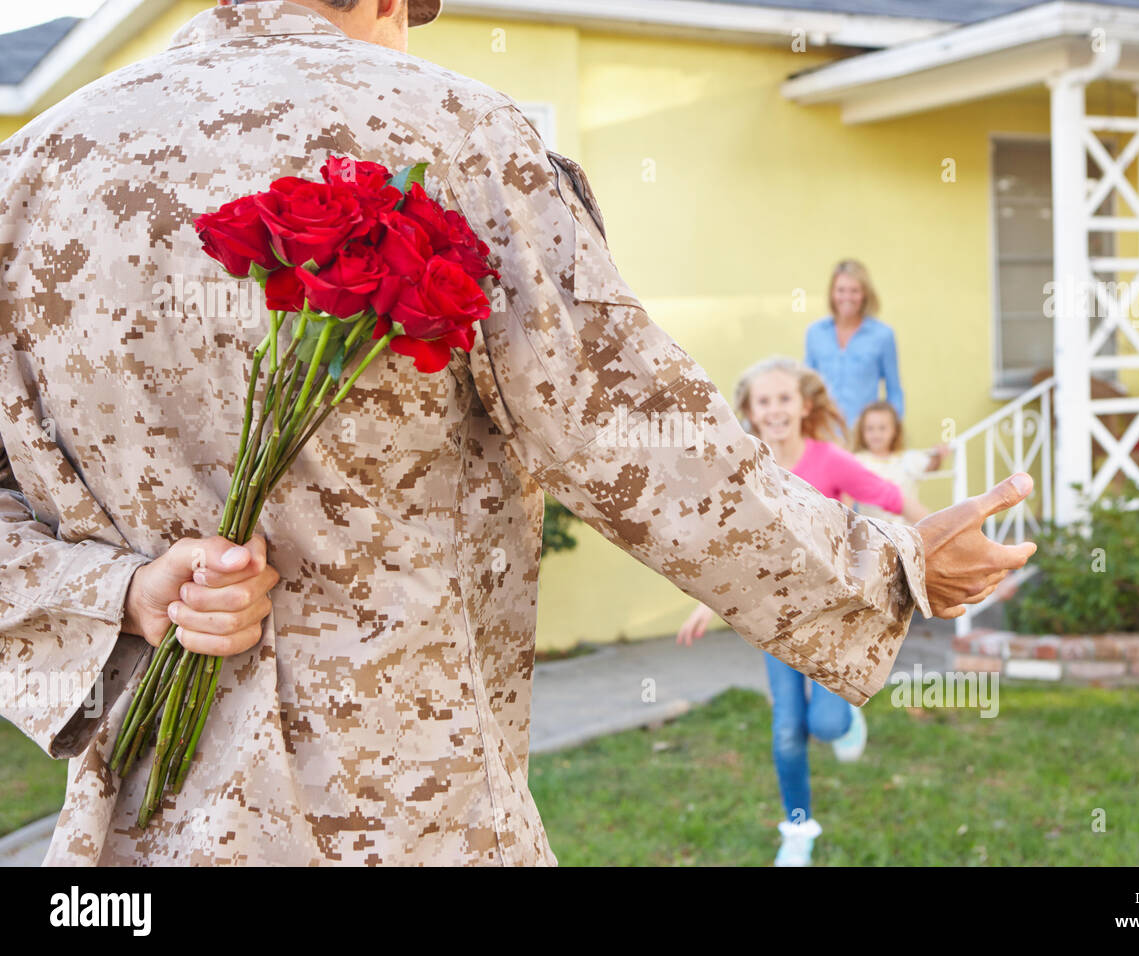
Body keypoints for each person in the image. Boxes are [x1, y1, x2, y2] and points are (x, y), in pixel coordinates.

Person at [0, 0, 1035, 866]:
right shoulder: (458, 134)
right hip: (410, 817)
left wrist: (126, 594)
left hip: (131, 845)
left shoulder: (33, 173)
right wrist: (885, 562)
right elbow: (637, 441)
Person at [676, 358, 924, 866]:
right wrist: (706, 603)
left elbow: (891, 495)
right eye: (764, 401)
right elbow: (734, 544)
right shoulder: (748, 471)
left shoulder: (829, 460)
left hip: (836, 618)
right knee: (787, 728)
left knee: (826, 726)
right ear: (749, 410)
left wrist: (949, 533)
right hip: (779, 622)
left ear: (803, 404)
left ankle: (846, 724)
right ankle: (798, 829)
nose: (775, 409)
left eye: (784, 398)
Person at [804, 259, 904, 427]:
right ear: (832, 293)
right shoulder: (815, 333)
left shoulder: (883, 335)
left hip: (863, 436)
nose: (847, 297)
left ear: (865, 294)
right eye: (841, 290)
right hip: (824, 432)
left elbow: (894, 390)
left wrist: (890, 431)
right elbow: (807, 388)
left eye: (854, 291)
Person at [849, 401, 949, 525]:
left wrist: (938, 456)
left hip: (908, 532)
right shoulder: (857, 461)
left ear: (894, 430)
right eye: (870, 429)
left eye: (882, 428)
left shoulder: (906, 459)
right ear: (862, 431)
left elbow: (930, 466)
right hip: (874, 533)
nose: (876, 434)